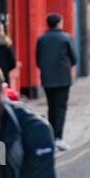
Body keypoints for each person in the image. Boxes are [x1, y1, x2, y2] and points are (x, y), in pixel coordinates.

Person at [35, 12, 76, 151]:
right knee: (61, 108)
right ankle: (58, 138)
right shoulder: (66, 38)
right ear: (59, 23)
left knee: (51, 107)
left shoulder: (41, 39)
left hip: (47, 79)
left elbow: (38, 60)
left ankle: (51, 137)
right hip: (63, 78)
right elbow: (74, 58)